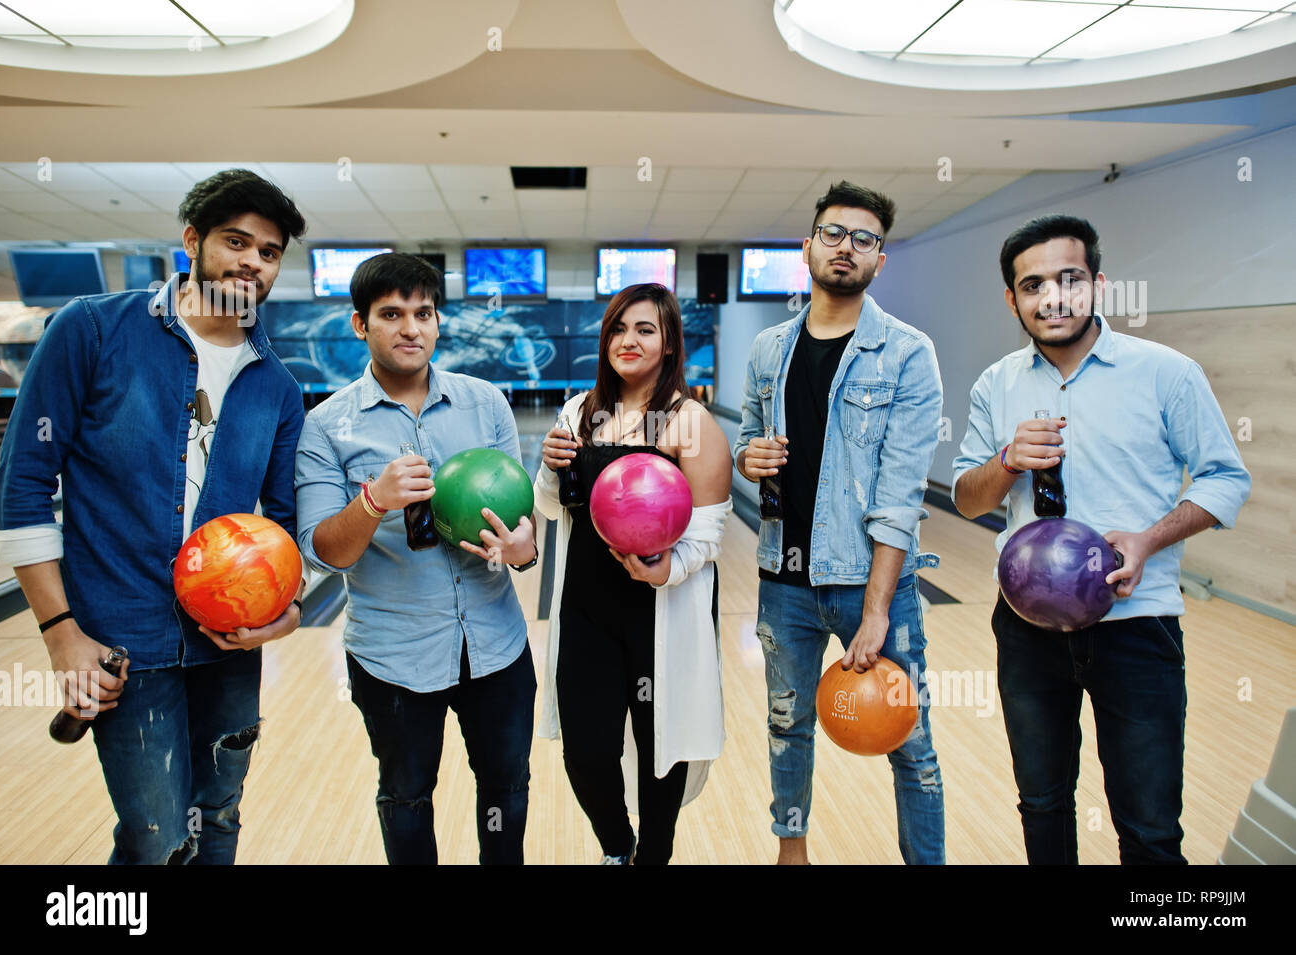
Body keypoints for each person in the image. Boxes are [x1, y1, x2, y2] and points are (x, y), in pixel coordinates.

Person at [0, 168, 308, 864]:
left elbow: (284, 525)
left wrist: (285, 615)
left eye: (269, 251)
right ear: (191, 240)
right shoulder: (92, 330)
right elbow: (22, 485)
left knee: (219, 819)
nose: (252, 262)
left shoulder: (278, 388)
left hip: (228, 647)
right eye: (236, 241)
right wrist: (60, 634)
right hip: (122, 644)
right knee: (158, 838)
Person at [951, 214, 1251, 864]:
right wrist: (1006, 461)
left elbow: (1227, 479)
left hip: (1135, 627)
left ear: (1098, 284)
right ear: (1012, 299)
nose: (1052, 297)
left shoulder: (1166, 373)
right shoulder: (996, 384)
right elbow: (967, 498)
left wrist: (1148, 540)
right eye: (1032, 285)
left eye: (1069, 279)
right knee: (1043, 806)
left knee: (1148, 828)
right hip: (1028, 629)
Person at [295, 252, 538, 865]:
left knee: (506, 788)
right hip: (393, 656)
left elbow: (522, 527)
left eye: (423, 313)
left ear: (438, 321)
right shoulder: (326, 427)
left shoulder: (486, 404)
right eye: (391, 313)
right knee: (406, 797)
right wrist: (373, 499)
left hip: (496, 645)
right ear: (360, 324)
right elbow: (324, 553)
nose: (411, 328)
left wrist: (523, 549)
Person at [734, 181, 945, 865]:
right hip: (783, 578)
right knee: (786, 723)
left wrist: (878, 610)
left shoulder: (908, 353)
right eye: (833, 232)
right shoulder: (769, 348)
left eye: (864, 238)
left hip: (869, 582)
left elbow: (900, 492)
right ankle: (791, 852)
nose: (846, 247)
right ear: (807, 247)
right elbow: (744, 440)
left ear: (880, 259)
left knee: (911, 743)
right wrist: (748, 455)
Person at [536, 283, 732, 865]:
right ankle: (618, 847)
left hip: (660, 611)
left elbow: (709, 533)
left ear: (669, 343)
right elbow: (551, 504)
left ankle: (653, 855)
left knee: (660, 748)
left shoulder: (689, 422)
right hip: (586, 610)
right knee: (586, 752)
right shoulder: (579, 410)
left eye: (645, 329)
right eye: (618, 328)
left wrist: (668, 569)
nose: (629, 340)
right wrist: (548, 468)